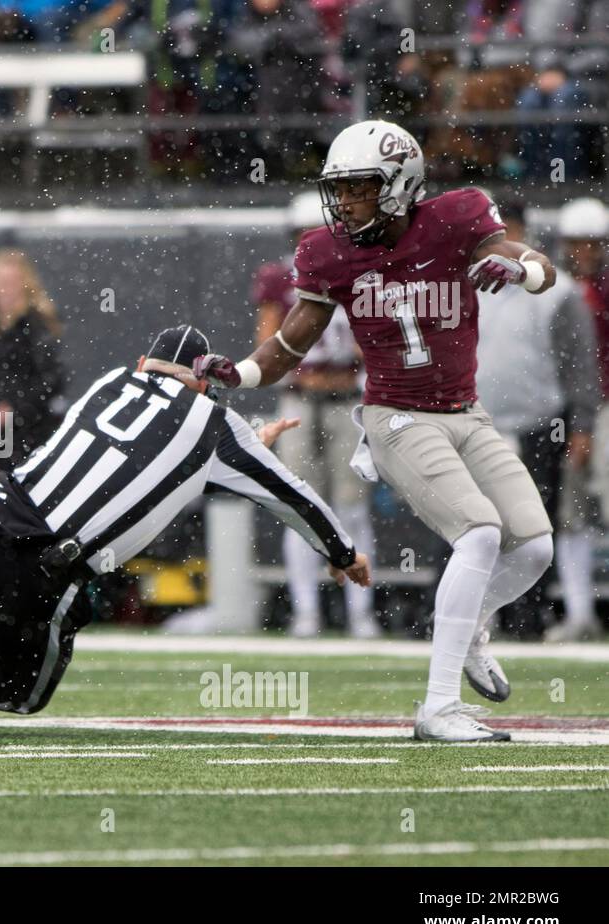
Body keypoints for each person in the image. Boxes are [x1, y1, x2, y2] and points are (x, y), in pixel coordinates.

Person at [0, 324, 370, 732]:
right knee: (21, 688)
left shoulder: (114, 381)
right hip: (47, 554)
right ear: (204, 378)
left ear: (147, 364)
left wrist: (236, 449)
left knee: (9, 639)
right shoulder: (216, 424)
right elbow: (291, 496)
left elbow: (139, 473)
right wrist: (342, 552)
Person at [194, 119, 558, 743]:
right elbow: (291, 341)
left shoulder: (458, 217)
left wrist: (517, 273)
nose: (347, 203)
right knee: (478, 533)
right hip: (395, 416)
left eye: (360, 188)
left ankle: (470, 628)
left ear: (400, 184)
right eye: (341, 189)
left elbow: (538, 267)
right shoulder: (329, 252)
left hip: (466, 413)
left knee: (535, 546)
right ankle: (438, 708)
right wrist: (242, 372)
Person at [475, 199, 599, 639]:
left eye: (508, 234)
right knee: (476, 524)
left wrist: (581, 425)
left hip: (538, 425)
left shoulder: (557, 289)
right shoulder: (465, 284)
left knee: (533, 528)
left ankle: (526, 616)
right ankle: (470, 616)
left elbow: (579, 367)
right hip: (475, 424)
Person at [257, 193, 379, 638]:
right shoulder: (280, 277)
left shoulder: (357, 271)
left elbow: (369, 337)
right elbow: (268, 338)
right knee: (299, 507)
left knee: (352, 508)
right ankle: (306, 610)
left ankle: (360, 612)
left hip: (347, 397)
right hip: (300, 399)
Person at [542, 196, 609, 641]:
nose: (582, 251)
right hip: (564, 409)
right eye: (575, 243)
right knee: (569, 513)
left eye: (591, 243)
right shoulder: (554, 287)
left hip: (604, 406)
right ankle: (580, 611)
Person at [0, 247, 66, 465]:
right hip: (4, 435)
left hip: (32, 434)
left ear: (25, 284)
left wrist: (13, 407)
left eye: (11, 282)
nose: (4, 289)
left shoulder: (35, 325)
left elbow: (52, 379)